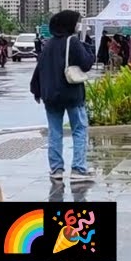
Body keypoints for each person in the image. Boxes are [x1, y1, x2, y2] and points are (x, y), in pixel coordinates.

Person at [30, 10, 96, 179]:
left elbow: (39, 70)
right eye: (76, 22)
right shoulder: (72, 42)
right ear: (69, 25)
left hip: (50, 96)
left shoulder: (49, 44)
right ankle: (78, 168)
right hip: (71, 94)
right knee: (79, 129)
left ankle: (56, 169)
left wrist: (37, 91)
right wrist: (89, 47)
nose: (77, 25)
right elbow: (87, 63)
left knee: (55, 132)